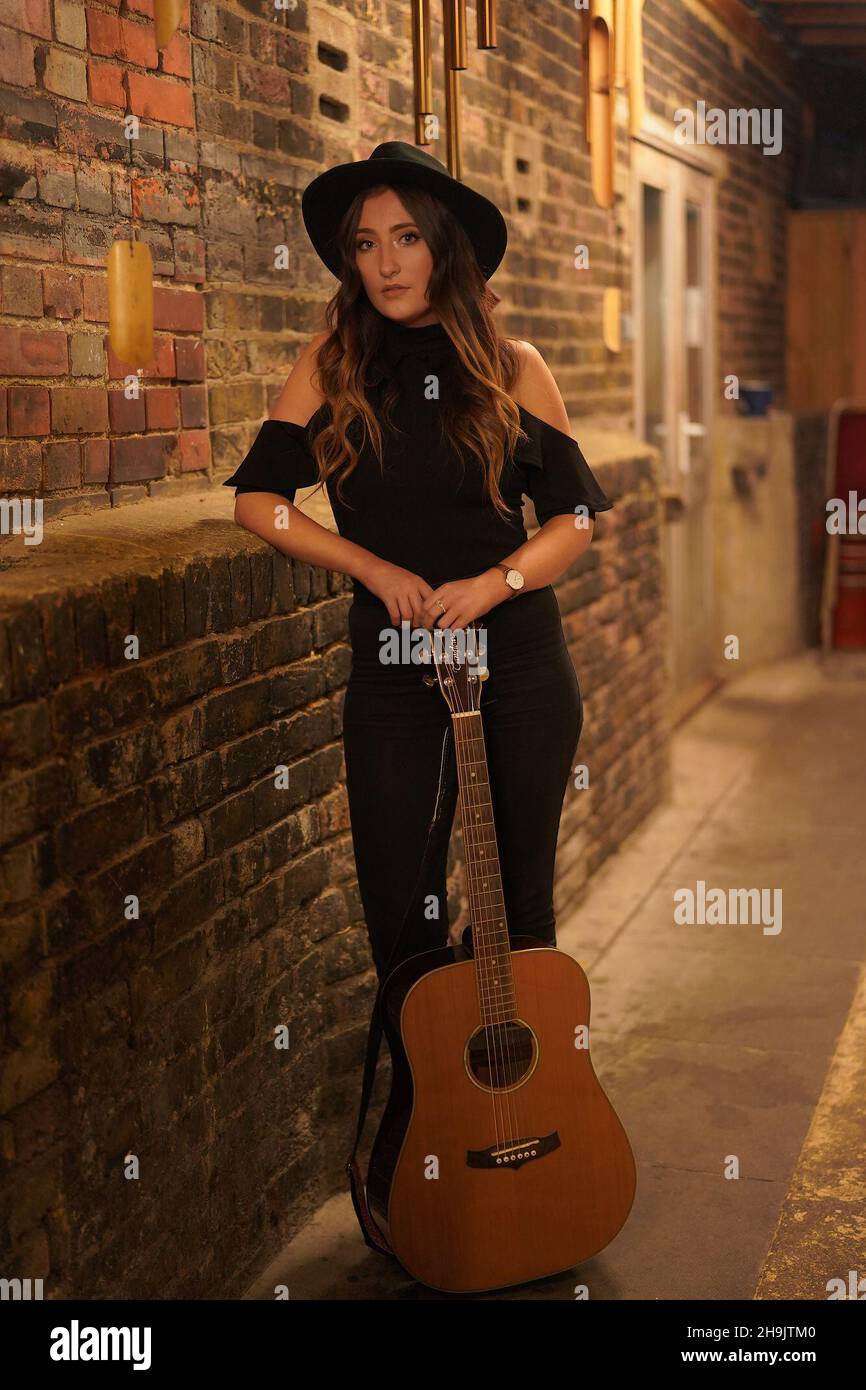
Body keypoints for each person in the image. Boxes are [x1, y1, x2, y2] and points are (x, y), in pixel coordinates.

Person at [222, 141, 613, 987]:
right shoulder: (334, 366)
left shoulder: (513, 368)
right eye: (365, 243)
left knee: (518, 913)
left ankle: (517, 1091)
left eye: (406, 238)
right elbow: (260, 501)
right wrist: (371, 567)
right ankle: (426, 1110)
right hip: (396, 669)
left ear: (445, 247)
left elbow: (574, 518)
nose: (385, 263)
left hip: (517, 661)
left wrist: (493, 584)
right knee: (404, 919)